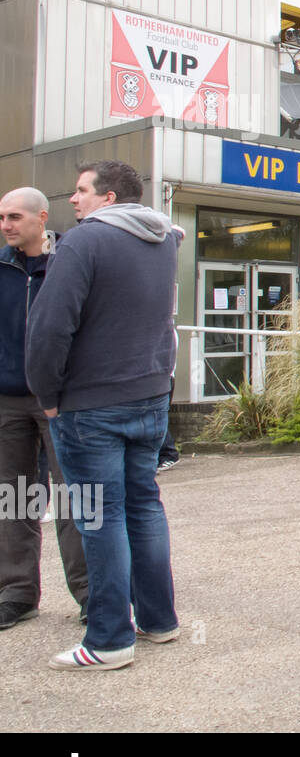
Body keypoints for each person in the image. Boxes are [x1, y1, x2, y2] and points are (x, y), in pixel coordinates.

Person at [26, 161, 181, 671]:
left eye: (80, 191)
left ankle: (109, 640)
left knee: (100, 516)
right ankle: (158, 620)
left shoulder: (82, 242)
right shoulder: (166, 242)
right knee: (143, 506)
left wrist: (45, 394)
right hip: (150, 395)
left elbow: (50, 327)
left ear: (108, 198)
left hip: (91, 403)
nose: (73, 200)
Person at [0, 188, 89, 632]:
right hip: (8, 402)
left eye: (14, 216)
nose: (6, 225)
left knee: (75, 497)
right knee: (14, 497)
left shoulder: (66, 263)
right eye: (2, 217)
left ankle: (92, 595)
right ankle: (17, 593)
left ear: (41, 217)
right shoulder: (0, 266)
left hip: (59, 400)